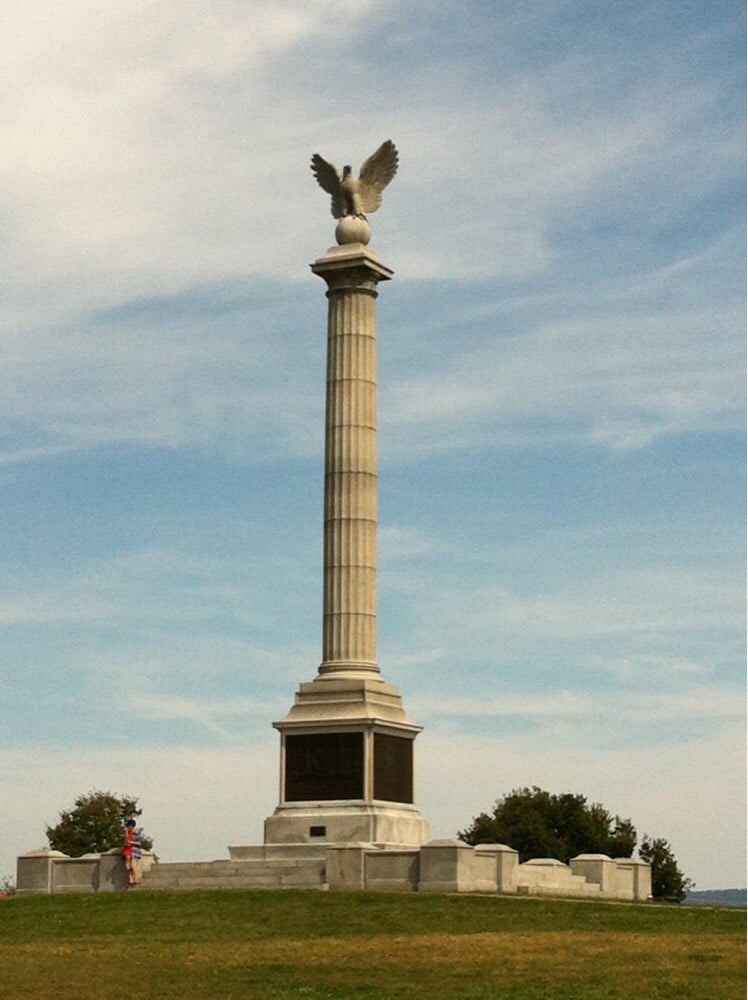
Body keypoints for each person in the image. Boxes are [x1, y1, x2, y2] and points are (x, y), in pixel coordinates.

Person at [122, 818, 141, 888]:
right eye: (128, 826)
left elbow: (139, 843)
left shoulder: (136, 833)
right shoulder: (127, 833)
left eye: (130, 826)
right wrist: (126, 833)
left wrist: (131, 842)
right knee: (128, 865)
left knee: (133, 866)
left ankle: (135, 879)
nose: (129, 828)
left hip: (134, 851)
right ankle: (131, 879)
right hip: (127, 849)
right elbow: (125, 842)